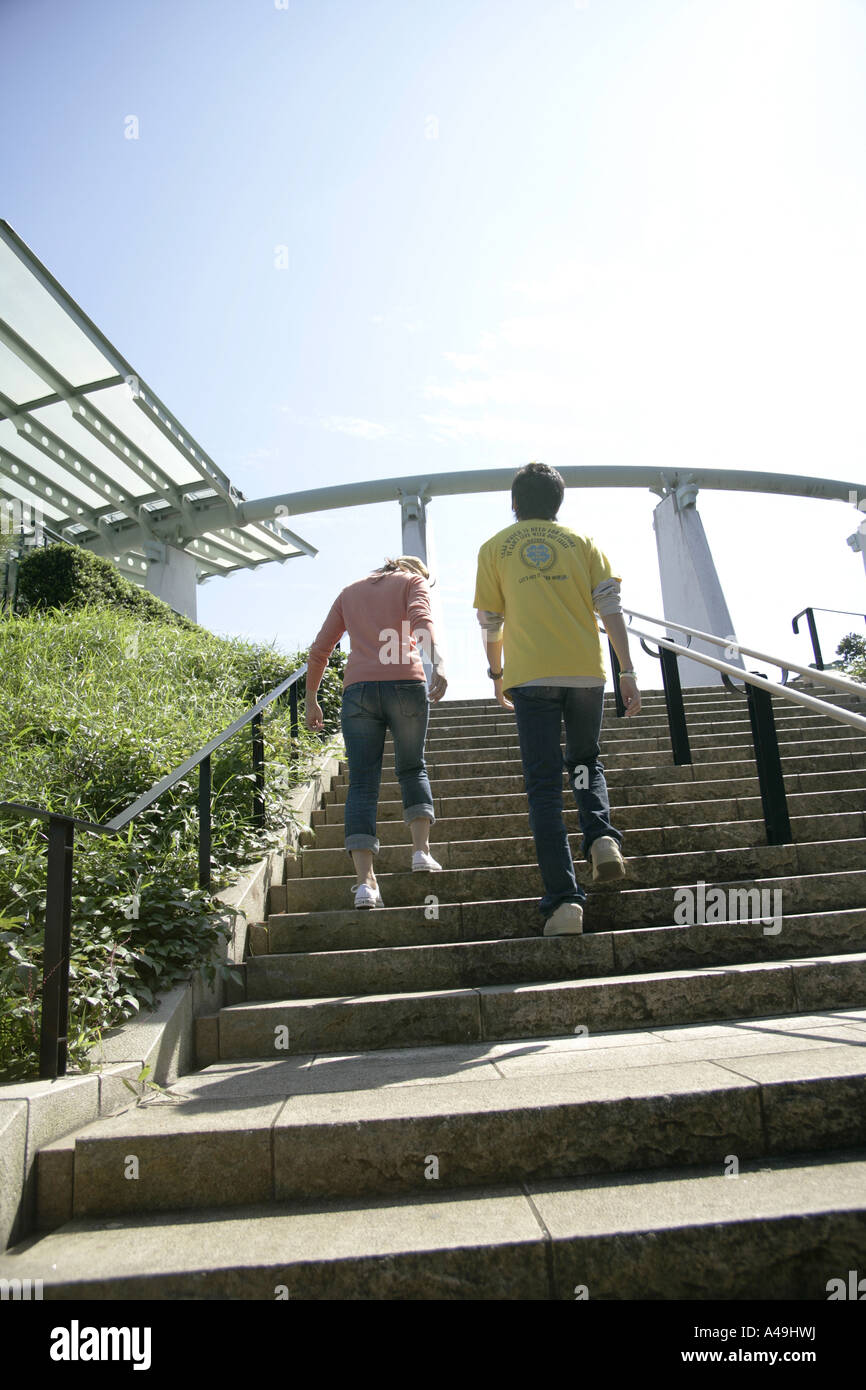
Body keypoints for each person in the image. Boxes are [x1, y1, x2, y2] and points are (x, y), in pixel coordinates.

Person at [472, 462, 641, 936]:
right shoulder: (583, 543)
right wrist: (628, 670)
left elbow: (491, 621)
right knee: (585, 761)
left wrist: (496, 671)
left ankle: (565, 903)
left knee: (544, 788)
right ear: (558, 503)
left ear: (515, 502)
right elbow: (611, 608)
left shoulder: (494, 548)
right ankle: (601, 836)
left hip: (531, 677)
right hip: (586, 672)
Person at [305, 556, 448, 908]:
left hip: (359, 693)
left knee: (362, 783)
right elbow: (422, 621)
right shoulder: (413, 582)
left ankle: (366, 884)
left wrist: (311, 698)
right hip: (405, 685)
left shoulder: (348, 593)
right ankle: (420, 853)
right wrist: (438, 663)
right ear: (415, 571)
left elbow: (321, 648)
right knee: (412, 767)